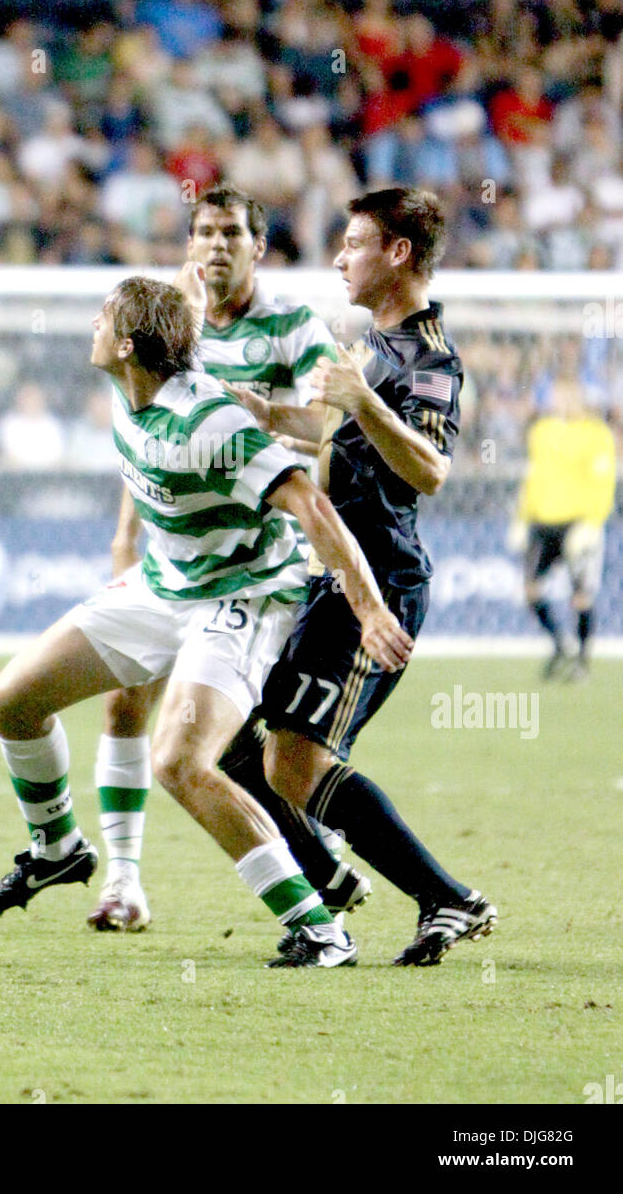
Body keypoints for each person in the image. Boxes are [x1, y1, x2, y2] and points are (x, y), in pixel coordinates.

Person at [0, 267, 413, 969]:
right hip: (164, 584)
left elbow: (311, 506)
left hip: (242, 595)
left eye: (103, 316)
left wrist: (368, 608)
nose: (93, 324)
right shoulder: (128, 388)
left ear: (127, 344)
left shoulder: (208, 422)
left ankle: (320, 931)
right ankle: (58, 848)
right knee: (12, 700)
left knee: (179, 761)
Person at [227, 188, 497, 967]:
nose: (339, 258)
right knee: (235, 730)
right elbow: (337, 427)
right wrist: (269, 413)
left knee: (293, 759)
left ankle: (440, 898)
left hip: (378, 581)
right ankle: (331, 881)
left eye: (353, 244)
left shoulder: (429, 356)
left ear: (398, 253)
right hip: (331, 578)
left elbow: (431, 468)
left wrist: (365, 401)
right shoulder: (375, 345)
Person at [89, 183, 362, 934]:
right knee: (129, 699)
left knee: (236, 737)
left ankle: (318, 860)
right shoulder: (169, 322)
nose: (217, 245)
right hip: (177, 553)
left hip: (262, 554)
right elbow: (145, 436)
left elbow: (333, 423)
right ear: (189, 243)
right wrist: (125, 540)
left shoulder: (292, 326)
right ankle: (123, 880)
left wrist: (266, 415)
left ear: (258, 246)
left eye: (232, 233)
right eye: (205, 231)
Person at [512, 379, 615, 679]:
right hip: (543, 523)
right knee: (531, 590)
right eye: (556, 396)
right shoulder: (542, 432)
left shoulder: (596, 434)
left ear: (580, 399)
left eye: (567, 396)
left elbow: (603, 483)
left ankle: (582, 660)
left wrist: (592, 523)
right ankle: (560, 644)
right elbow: (533, 477)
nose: (560, 402)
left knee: (580, 595)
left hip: (578, 523)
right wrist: (522, 517)